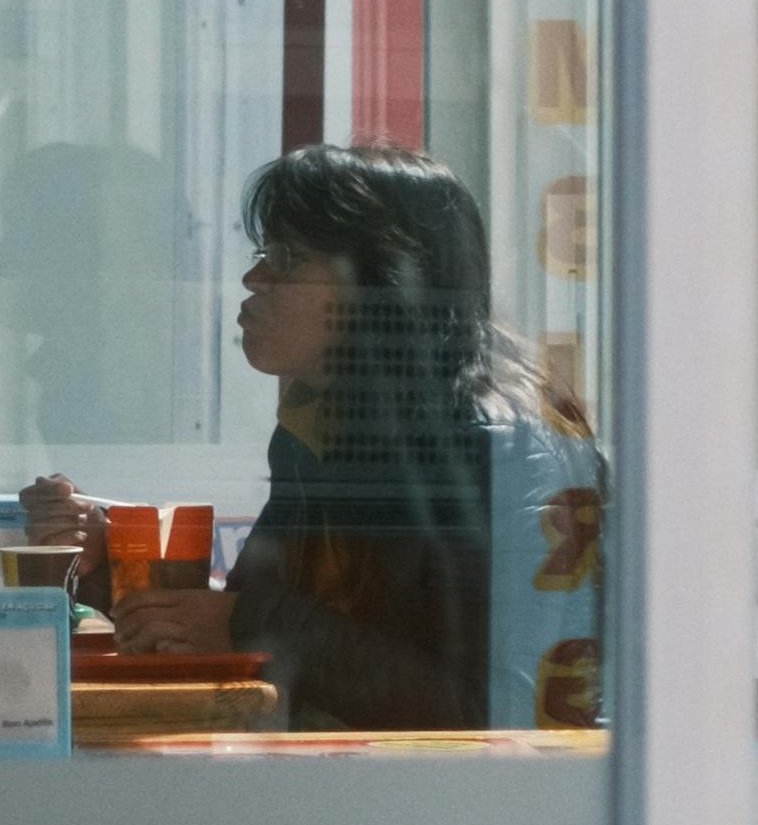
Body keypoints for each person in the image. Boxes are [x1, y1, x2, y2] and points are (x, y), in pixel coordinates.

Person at [102, 146, 604, 734]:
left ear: (381, 280)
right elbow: (257, 610)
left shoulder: (488, 440)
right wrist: (114, 564)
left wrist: (248, 622)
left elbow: (493, 714)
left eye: (288, 259)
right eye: (265, 252)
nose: (253, 277)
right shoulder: (335, 410)